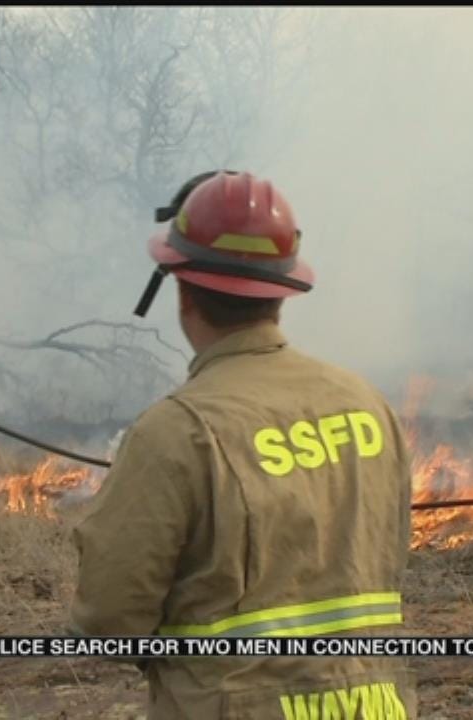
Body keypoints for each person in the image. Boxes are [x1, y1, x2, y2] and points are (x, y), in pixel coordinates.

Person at [69, 171, 417, 718]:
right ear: (283, 289)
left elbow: (110, 620)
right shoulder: (367, 404)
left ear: (181, 289)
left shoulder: (176, 432)